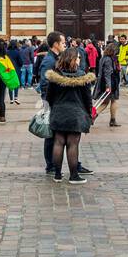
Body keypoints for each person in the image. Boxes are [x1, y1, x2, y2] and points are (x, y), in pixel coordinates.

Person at [43, 47, 95, 184]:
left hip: (58, 112)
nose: (79, 59)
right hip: (76, 114)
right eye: (78, 57)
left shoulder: (55, 76)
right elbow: (87, 99)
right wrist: (90, 114)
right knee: (73, 144)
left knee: (58, 142)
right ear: (72, 59)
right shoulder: (82, 76)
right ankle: (73, 175)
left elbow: (48, 97)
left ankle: (58, 175)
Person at [96, 43, 121, 127]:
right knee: (105, 103)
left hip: (106, 82)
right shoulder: (109, 60)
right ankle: (92, 116)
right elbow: (108, 73)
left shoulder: (104, 58)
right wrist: (108, 86)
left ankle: (113, 120)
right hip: (110, 84)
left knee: (112, 101)